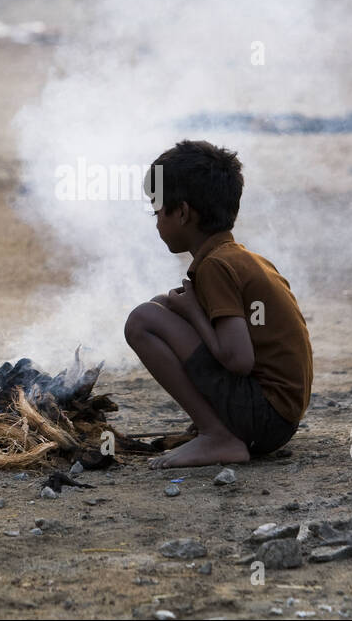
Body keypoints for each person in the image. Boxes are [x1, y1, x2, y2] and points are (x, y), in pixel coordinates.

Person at [124, 139, 313, 469]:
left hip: (264, 419)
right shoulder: (238, 258)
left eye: (156, 210)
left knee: (142, 321)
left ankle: (217, 435)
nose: (155, 221)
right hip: (278, 419)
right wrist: (183, 311)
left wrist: (193, 312)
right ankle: (216, 427)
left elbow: (238, 359)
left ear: (182, 212)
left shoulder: (215, 267)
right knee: (159, 310)